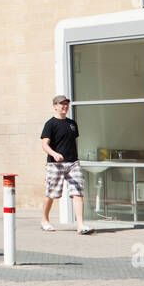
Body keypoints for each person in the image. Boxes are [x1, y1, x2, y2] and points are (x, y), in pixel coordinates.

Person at [40, 95, 92, 234]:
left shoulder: (72, 123)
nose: (65, 106)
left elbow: (72, 141)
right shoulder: (50, 124)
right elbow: (45, 144)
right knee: (52, 193)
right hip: (55, 164)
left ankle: (80, 225)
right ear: (55, 106)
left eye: (66, 104)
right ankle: (44, 220)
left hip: (73, 163)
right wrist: (54, 154)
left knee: (78, 192)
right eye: (61, 104)